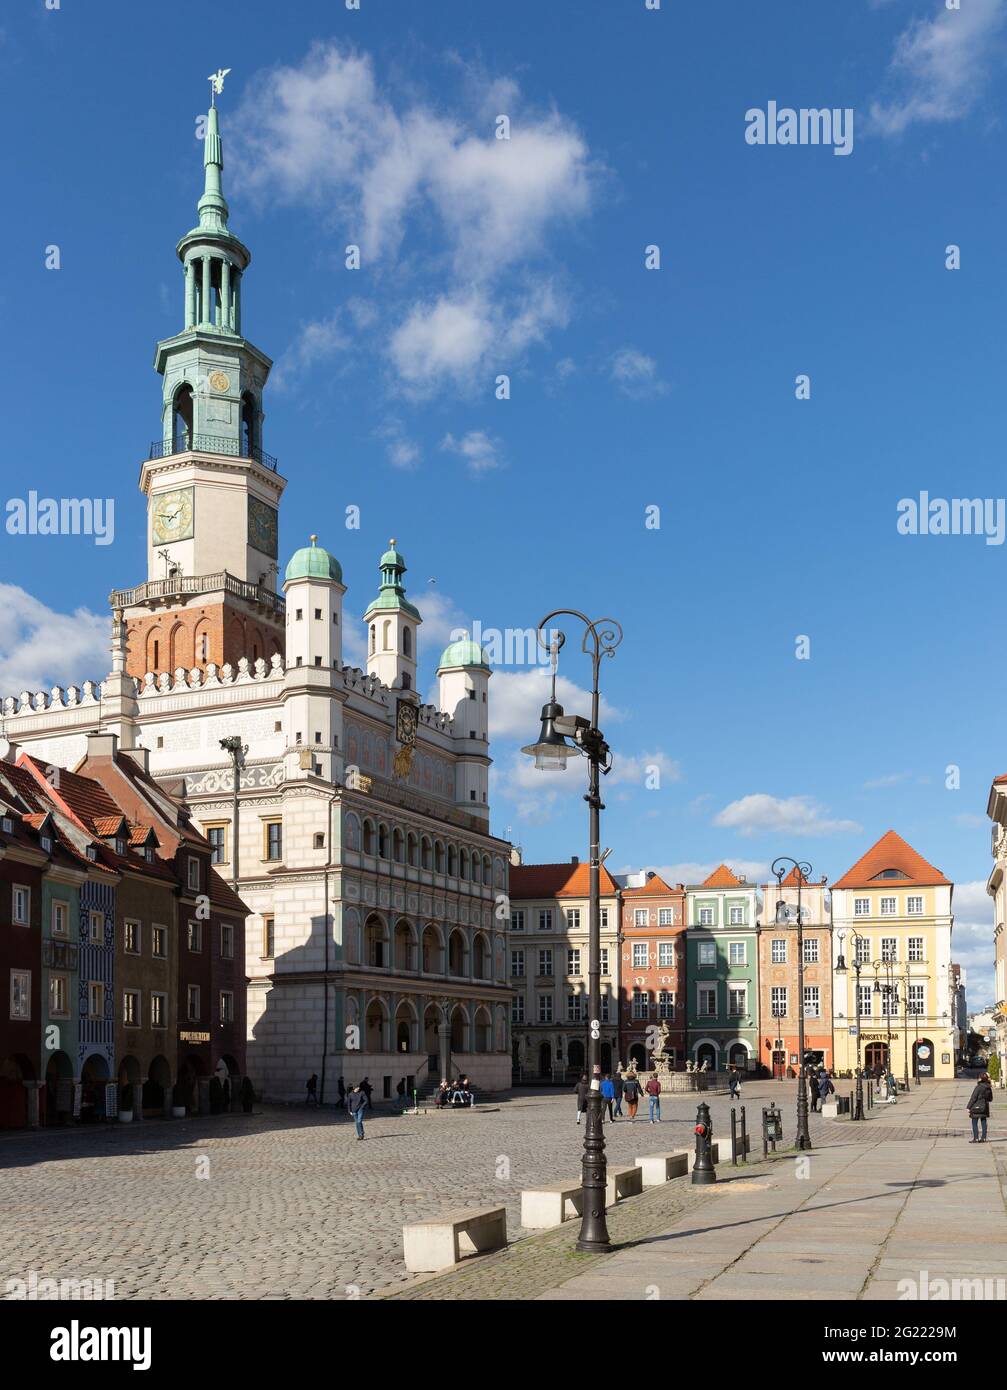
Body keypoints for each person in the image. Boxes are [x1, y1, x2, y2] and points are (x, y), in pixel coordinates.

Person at [967, 1073, 993, 1143]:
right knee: (983, 1122)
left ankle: (976, 1138)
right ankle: (983, 1138)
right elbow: (990, 1099)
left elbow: (973, 1098)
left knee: (974, 1122)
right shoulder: (988, 1087)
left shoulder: (978, 1087)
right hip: (985, 1107)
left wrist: (968, 1107)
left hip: (976, 1107)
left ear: (980, 1079)